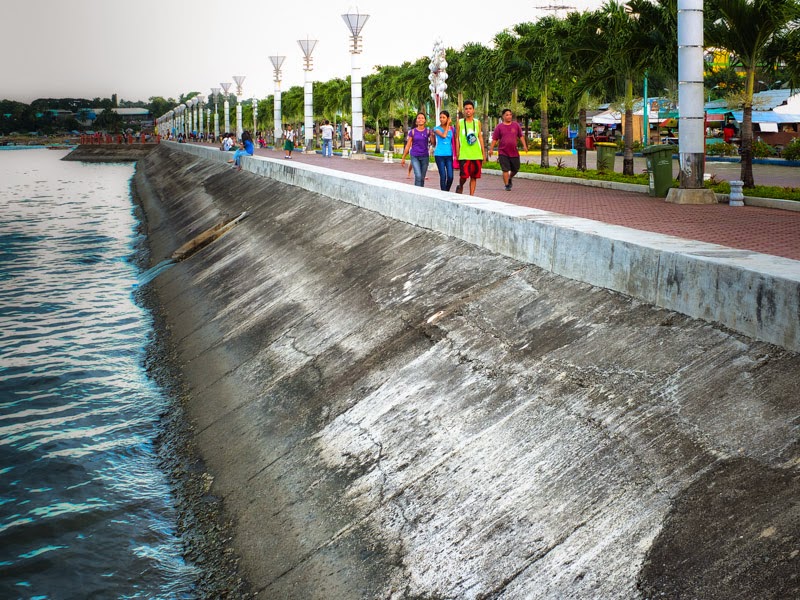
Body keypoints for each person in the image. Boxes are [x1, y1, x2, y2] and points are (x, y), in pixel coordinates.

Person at [488, 108, 528, 191]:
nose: (509, 116)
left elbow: (521, 136)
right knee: (505, 169)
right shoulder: (499, 127)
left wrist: (524, 146)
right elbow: (495, 139)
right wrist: (491, 149)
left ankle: (510, 178)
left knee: (516, 168)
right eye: (507, 115)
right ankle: (507, 185)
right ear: (503, 116)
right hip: (503, 152)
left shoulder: (516, 125)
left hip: (514, 152)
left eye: (510, 114)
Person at [454, 99, 486, 195]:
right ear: (464, 110)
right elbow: (457, 138)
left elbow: (480, 138)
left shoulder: (477, 122)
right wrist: (457, 152)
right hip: (464, 154)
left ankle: (471, 196)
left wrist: (483, 153)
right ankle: (460, 185)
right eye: (466, 109)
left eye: (470, 108)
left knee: (474, 176)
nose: (468, 111)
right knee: (464, 176)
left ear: (473, 110)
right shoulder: (459, 122)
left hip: (476, 154)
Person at [401, 112, 433, 187]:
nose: (420, 119)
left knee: (422, 178)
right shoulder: (412, 132)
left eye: (422, 118)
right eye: (419, 118)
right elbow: (408, 145)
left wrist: (432, 135)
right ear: (416, 121)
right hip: (415, 156)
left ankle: (420, 192)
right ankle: (417, 193)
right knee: (418, 176)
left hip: (425, 156)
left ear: (425, 120)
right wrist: (403, 157)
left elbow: (433, 142)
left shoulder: (428, 131)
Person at [433, 110, 455, 191]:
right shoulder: (436, 129)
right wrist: (448, 124)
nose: (442, 119)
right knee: (443, 176)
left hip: (449, 155)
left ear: (448, 118)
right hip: (439, 155)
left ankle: (446, 191)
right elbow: (444, 135)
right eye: (440, 117)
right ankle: (443, 193)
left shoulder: (452, 129)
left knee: (450, 176)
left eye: (444, 117)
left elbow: (455, 140)